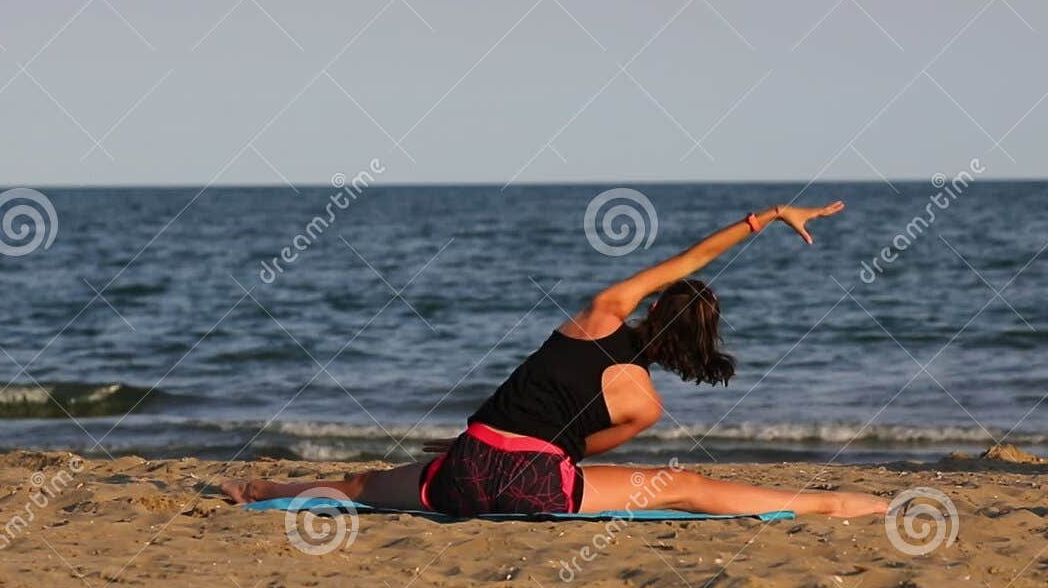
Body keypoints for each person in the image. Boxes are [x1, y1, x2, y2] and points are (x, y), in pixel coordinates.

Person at [223, 201, 890, 519]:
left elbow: (683, 263)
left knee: (366, 485)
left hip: (463, 470)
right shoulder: (645, 404)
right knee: (683, 485)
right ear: (694, 350)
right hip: (536, 486)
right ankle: (831, 504)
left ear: (653, 311)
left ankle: (257, 491)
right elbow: (575, 453)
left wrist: (765, 217)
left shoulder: (601, 311)